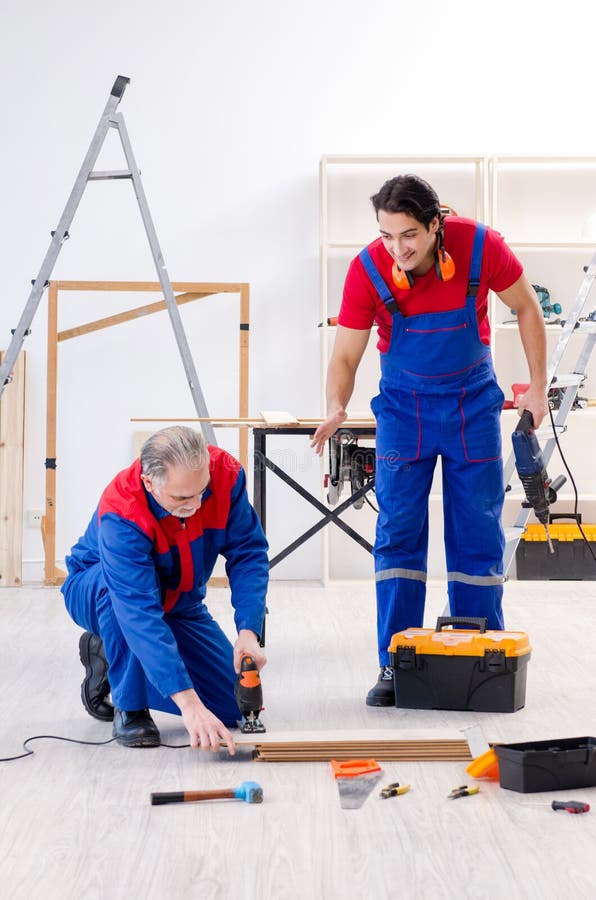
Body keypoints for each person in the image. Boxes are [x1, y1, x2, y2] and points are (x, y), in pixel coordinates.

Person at [311, 174, 547, 706]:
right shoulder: (368, 269)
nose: (399, 248)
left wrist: (536, 386)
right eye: (388, 235)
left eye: (410, 235)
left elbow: (527, 307)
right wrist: (335, 406)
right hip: (404, 410)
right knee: (397, 534)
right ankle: (397, 663)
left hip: (472, 407)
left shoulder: (481, 245)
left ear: (436, 223)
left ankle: (482, 659)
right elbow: (346, 356)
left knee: (477, 533)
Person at [61, 425, 269, 750]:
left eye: (202, 491)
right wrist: (188, 706)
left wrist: (248, 631)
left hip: (180, 601)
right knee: (117, 599)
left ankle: (109, 654)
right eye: (183, 497)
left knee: (232, 707)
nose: (197, 504)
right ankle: (130, 707)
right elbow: (138, 612)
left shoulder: (226, 475)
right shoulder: (122, 511)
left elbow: (248, 553)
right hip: (101, 590)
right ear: (149, 483)